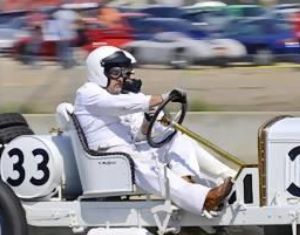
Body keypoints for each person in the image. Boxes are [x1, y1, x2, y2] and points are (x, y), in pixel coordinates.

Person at [74, 46, 233, 216]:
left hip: (126, 152)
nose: (122, 78)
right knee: (144, 166)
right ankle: (203, 199)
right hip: (108, 158)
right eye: (115, 73)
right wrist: (164, 97)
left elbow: (137, 135)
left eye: (124, 73)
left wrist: (147, 121)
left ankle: (201, 184)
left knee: (175, 138)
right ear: (99, 72)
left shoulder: (111, 96)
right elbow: (123, 105)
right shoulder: (88, 93)